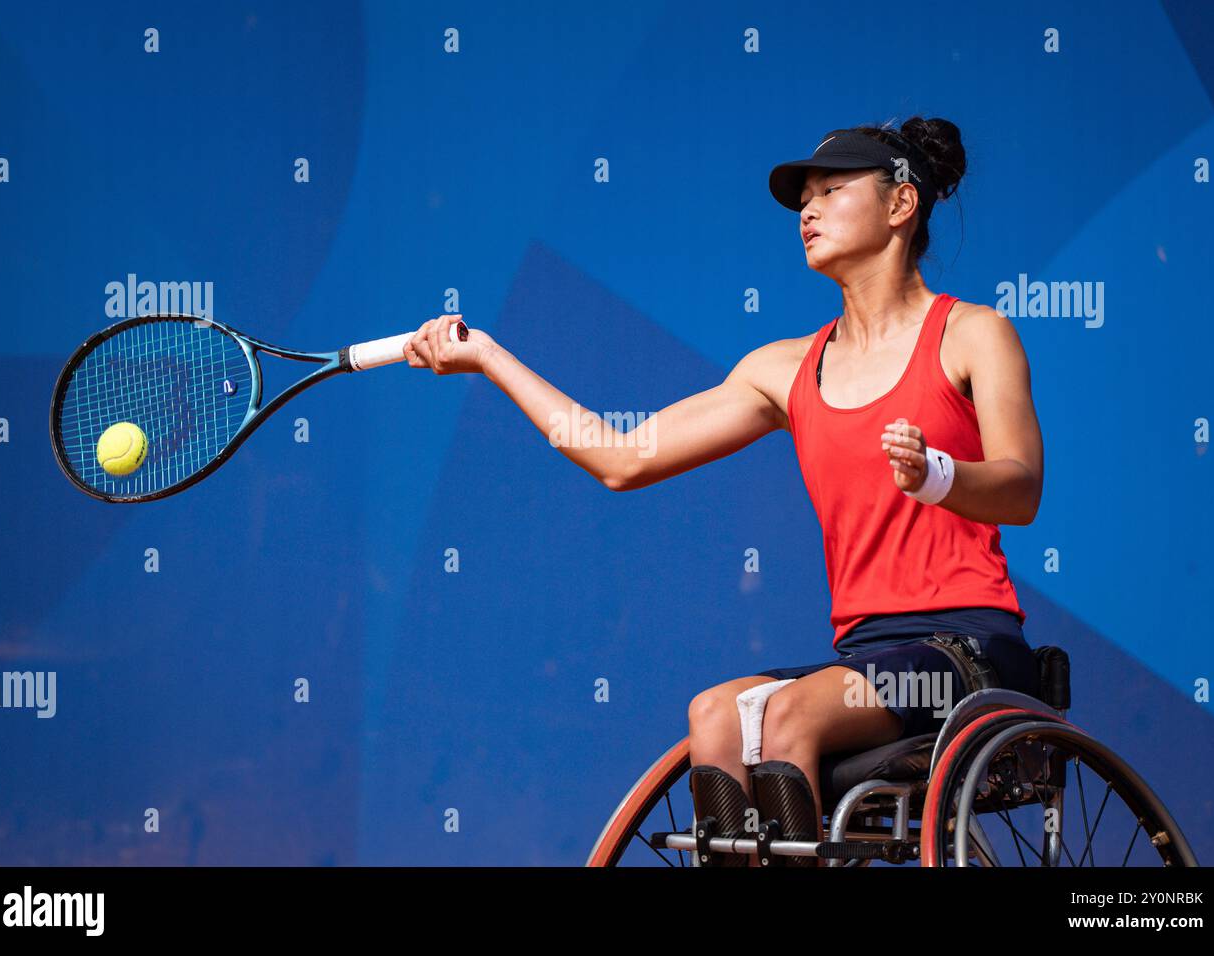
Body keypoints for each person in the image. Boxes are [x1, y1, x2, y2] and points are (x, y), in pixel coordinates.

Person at [400, 116, 1044, 867]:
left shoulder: (973, 335)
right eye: (803, 197)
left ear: (902, 205)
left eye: (831, 191)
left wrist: (936, 474)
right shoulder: (783, 370)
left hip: (969, 657)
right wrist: (488, 358)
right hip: (866, 657)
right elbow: (620, 458)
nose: (807, 210)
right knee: (714, 715)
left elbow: (1021, 489)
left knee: (788, 720)